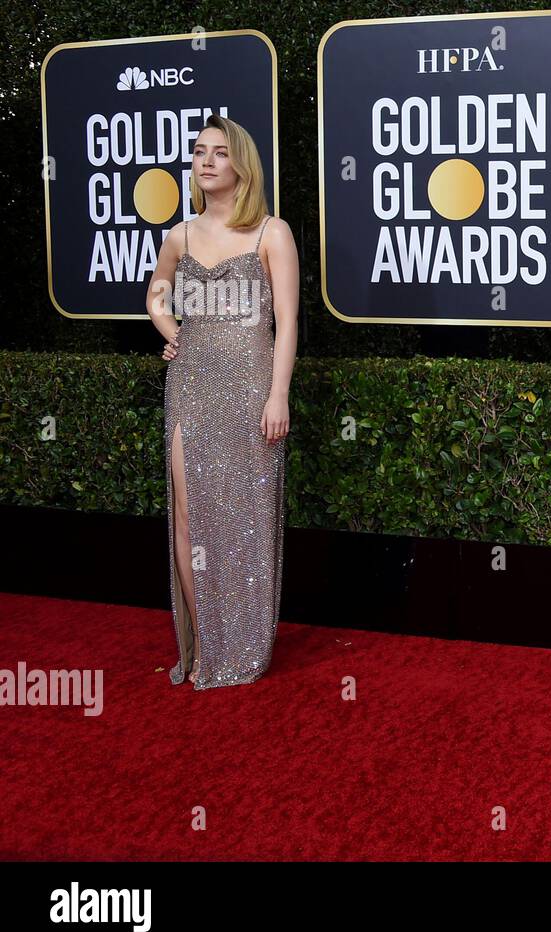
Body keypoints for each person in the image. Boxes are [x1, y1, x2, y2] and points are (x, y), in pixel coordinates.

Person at [146, 114, 299, 689]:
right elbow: (157, 295)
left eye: (220, 152)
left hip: (252, 387)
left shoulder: (270, 233)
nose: (207, 160)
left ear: (241, 165)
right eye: (199, 151)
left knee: (246, 518)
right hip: (191, 385)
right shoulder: (180, 236)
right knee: (190, 514)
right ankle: (206, 647)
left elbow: (286, 323)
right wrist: (173, 335)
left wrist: (277, 393)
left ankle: (242, 647)